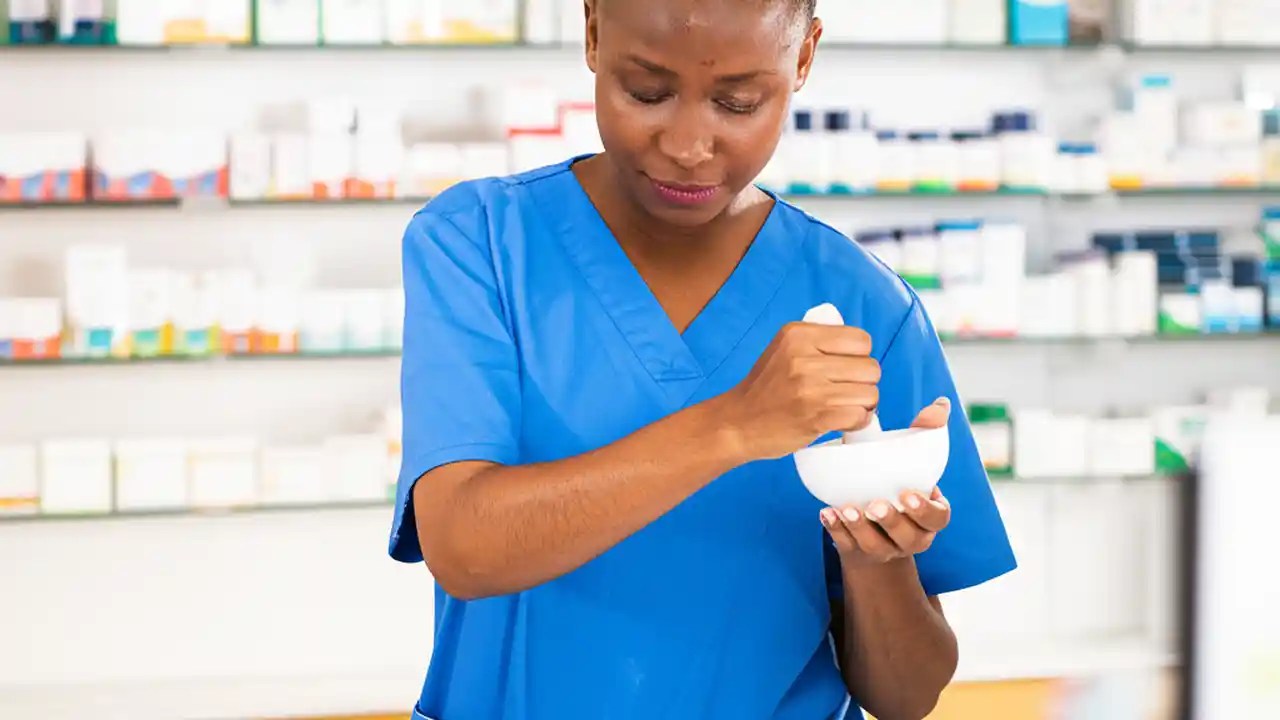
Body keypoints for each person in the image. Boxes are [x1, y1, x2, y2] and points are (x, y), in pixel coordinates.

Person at [388, 1, 1016, 718]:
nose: (688, 145)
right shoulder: (481, 245)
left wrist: (878, 562)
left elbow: (908, 696)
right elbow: (467, 549)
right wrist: (736, 425)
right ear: (592, 33)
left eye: (737, 102)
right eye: (646, 92)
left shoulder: (865, 305)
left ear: (803, 58)